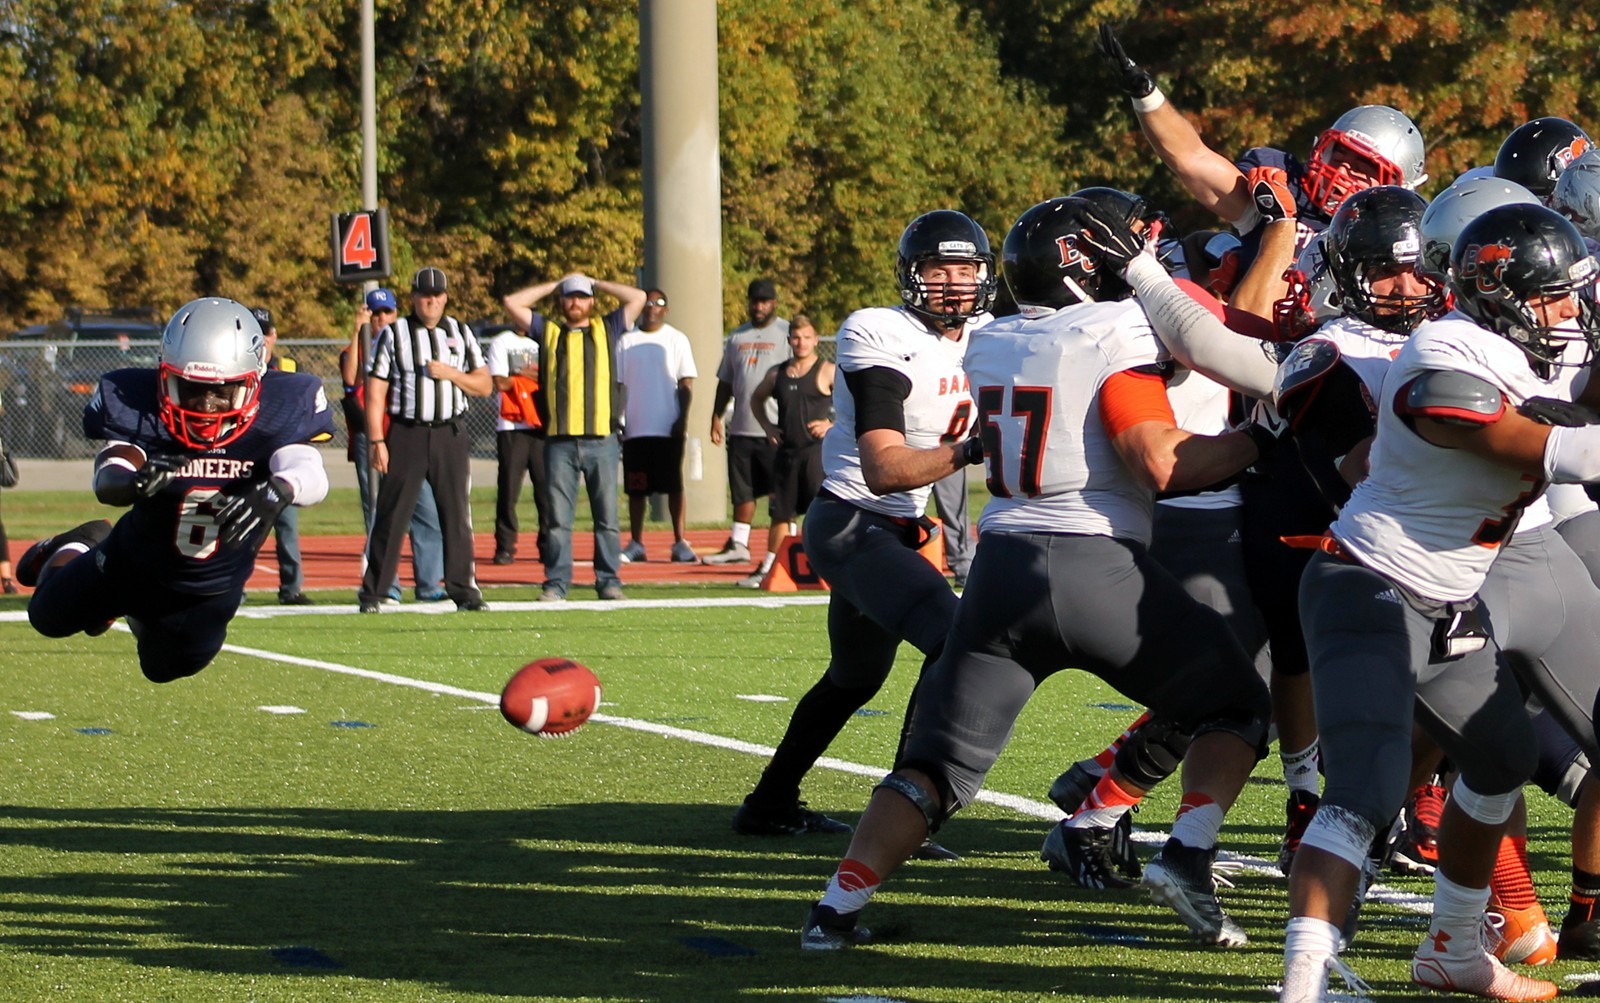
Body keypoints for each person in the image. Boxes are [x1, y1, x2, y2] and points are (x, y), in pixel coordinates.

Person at [799, 196, 1275, 952]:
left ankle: (834, 909)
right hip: (1094, 565)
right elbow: (1185, 420)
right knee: (1240, 700)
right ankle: (1187, 853)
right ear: (1089, 267)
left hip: (1001, 572)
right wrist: (1261, 438)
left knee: (935, 767)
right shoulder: (1118, 325)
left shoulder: (992, 344)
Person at [1275, 203, 1600, 1002]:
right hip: (1369, 586)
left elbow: (1574, 396)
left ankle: (1454, 945)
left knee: (1501, 758)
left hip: (1452, 602)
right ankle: (1303, 983)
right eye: (1557, 297)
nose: (1573, 313)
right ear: (1501, 295)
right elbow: (1538, 445)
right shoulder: (1446, 348)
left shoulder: (1528, 354)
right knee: (1364, 792)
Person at [731, 210, 991, 843]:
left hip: (896, 530)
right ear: (911, 275)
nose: (953, 282)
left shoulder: (994, 331)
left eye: (965, 268)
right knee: (952, 638)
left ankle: (768, 803)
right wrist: (977, 449)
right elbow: (885, 470)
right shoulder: (877, 329)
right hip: (851, 521)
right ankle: (909, 813)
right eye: (938, 268)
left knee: (853, 679)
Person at [19, 298, 333, 680]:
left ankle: (131, 611)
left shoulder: (284, 405)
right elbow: (111, 469)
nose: (206, 405)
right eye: (190, 388)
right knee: (45, 617)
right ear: (165, 377)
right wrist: (130, 482)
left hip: (211, 587)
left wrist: (280, 488)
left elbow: (310, 470)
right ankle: (81, 543)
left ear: (254, 382)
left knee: (161, 669)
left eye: (221, 391)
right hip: (131, 561)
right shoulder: (138, 404)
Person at [502, 272, 647, 601]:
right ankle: (556, 583)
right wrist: (556, 285)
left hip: (601, 440)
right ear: (561, 301)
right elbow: (512, 302)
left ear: (592, 301)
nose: (576, 302)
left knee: (607, 518)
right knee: (557, 519)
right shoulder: (549, 331)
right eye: (570, 297)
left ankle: (608, 580)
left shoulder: (606, 327)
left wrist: (595, 282)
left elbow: (637, 297)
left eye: (582, 297)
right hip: (559, 442)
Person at [358, 267, 492, 614]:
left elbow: (485, 384)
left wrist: (452, 374)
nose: (430, 301)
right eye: (423, 295)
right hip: (407, 432)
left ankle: (464, 589)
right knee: (392, 514)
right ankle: (374, 592)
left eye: (436, 296)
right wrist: (377, 440)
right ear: (413, 297)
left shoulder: (460, 332)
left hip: (450, 431)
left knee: (456, 514)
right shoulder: (394, 334)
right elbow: (376, 391)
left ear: (445, 298)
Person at [341, 288, 447, 603]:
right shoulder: (362, 346)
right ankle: (387, 585)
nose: (380, 319)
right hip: (371, 439)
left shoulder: (405, 343)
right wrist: (358, 329)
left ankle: (429, 584)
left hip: (404, 436)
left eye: (386, 312)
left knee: (426, 511)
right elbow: (350, 380)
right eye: (374, 314)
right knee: (380, 513)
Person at [740, 314, 834, 587]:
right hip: (786, 454)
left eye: (806, 337)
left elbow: (852, 401)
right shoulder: (777, 373)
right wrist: (768, 428)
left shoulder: (827, 370)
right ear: (789, 340)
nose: (801, 342)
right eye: (796, 337)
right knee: (781, 514)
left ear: (816, 340)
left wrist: (832, 424)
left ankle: (827, 565)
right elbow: (755, 399)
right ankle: (770, 567)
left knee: (820, 512)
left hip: (815, 454)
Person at [705, 278, 791, 567]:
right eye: (755, 301)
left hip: (774, 428)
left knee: (778, 492)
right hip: (741, 426)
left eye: (765, 301)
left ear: (774, 303)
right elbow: (725, 381)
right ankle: (739, 544)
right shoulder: (737, 336)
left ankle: (782, 547)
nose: (759, 306)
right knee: (742, 491)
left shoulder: (787, 333)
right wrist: (716, 416)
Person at [616, 288, 698, 564]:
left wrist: (681, 419)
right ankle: (636, 542)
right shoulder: (626, 341)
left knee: (674, 486)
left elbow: (686, 383)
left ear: (666, 309)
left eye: (659, 303)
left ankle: (680, 542)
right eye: (648, 302)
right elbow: (618, 385)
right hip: (636, 428)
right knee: (636, 489)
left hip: (668, 428)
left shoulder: (676, 339)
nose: (652, 307)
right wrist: (618, 420)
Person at [249, 306, 314, 606]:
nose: (262, 340)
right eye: (255, 333)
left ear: (273, 336)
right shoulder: (236, 367)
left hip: (280, 454)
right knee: (246, 523)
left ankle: (292, 587)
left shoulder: (288, 366)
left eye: (265, 333)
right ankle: (234, 585)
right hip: (248, 456)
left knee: (286, 523)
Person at [483, 320, 550, 567]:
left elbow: (549, 375)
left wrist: (518, 373)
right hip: (512, 428)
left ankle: (547, 545)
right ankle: (505, 546)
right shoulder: (503, 341)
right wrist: (529, 375)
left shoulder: (542, 340)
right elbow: (501, 382)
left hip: (540, 424)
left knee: (545, 490)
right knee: (509, 489)